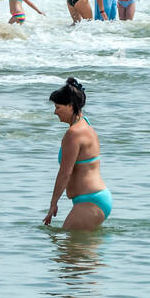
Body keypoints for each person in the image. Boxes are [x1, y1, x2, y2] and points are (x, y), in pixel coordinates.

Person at [44, 78, 111, 230]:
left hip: (91, 200)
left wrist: (53, 203)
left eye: (57, 107)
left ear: (70, 106)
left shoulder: (73, 133)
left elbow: (65, 173)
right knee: (80, 252)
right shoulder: (85, 124)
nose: (55, 112)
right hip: (94, 199)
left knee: (66, 251)